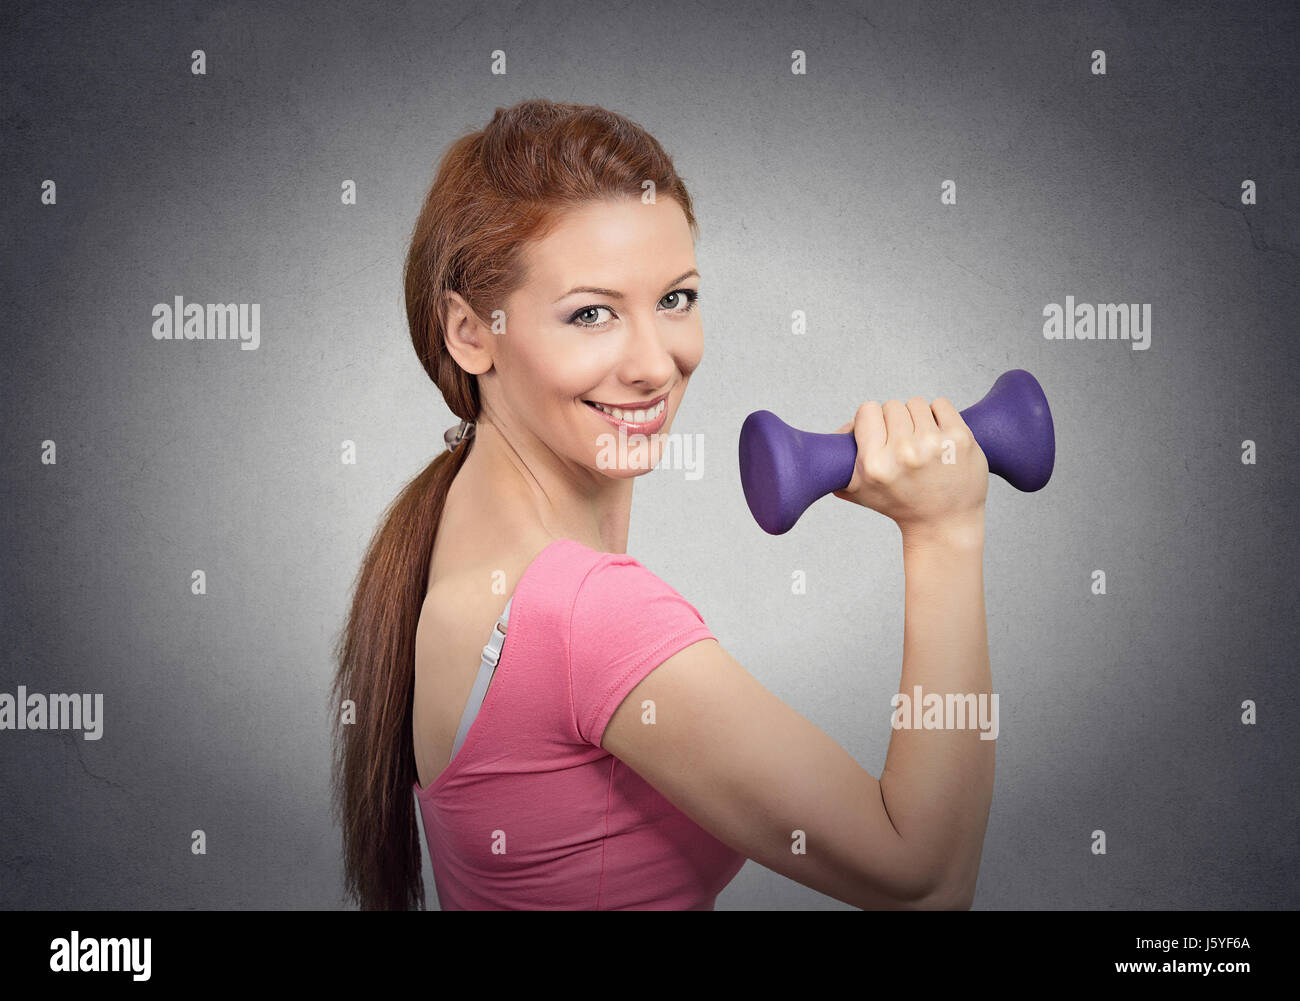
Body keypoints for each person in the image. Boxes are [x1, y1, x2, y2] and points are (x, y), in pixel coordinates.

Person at [330, 98, 992, 910]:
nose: (654, 363)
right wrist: (944, 528)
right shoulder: (587, 614)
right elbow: (926, 877)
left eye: (675, 298)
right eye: (592, 313)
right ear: (472, 332)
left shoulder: (457, 529)